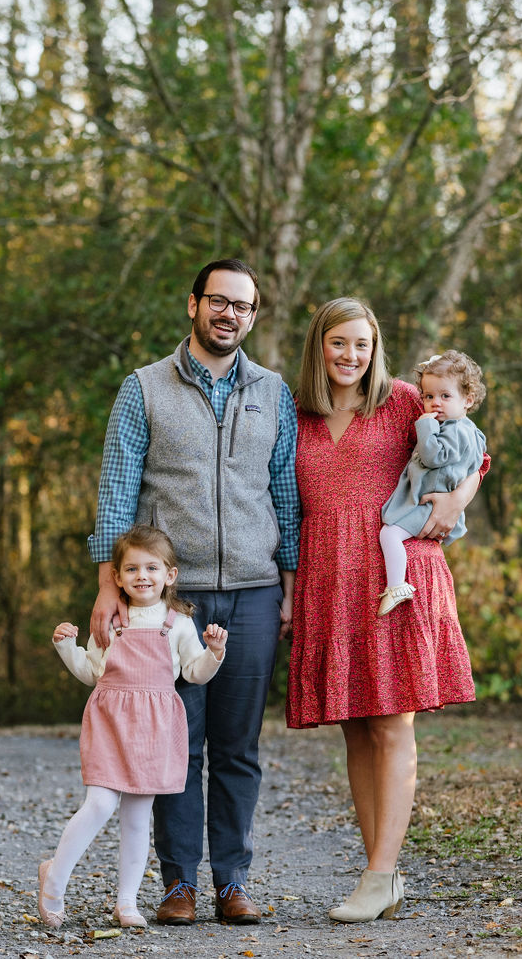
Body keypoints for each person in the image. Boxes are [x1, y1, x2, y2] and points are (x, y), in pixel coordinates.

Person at [87, 258, 298, 926]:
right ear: (193, 305)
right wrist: (107, 588)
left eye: (243, 304)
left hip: (255, 592)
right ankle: (178, 881)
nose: (228, 313)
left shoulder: (273, 391)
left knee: (238, 747)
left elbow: (286, 493)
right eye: (218, 300)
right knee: (174, 745)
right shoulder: (144, 387)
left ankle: (231, 880)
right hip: (165, 604)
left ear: (254, 314)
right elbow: (116, 491)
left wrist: (290, 584)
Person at [286, 298, 485, 923]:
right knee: (356, 725)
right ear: (320, 346)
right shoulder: (296, 413)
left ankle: (379, 875)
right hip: (326, 573)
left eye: (362, 344)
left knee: (394, 723)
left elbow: (474, 451)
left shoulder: (402, 400)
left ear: (376, 350)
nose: (350, 355)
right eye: (339, 343)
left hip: (393, 571)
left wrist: (455, 503)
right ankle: (379, 873)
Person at [41, 525, 229, 929]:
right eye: (131, 569)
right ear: (117, 577)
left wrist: (215, 652)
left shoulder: (177, 623)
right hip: (111, 721)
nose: (142, 576)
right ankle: (54, 880)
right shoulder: (110, 621)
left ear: (170, 575)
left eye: (152, 567)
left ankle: (126, 903)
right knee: (101, 804)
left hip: (156, 727)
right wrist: (65, 648)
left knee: (139, 817)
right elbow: (91, 672)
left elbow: (195, 673)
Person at [377, 350, 488, 615]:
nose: (435, 403)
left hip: (428, 506)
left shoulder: (454, 429)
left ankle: (397, 585)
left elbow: (433, 456)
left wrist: (424, 427)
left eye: (445, 396)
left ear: (467, 399)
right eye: (428, 397)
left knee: (389, 533)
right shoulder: (472, 431)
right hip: (432, 502)